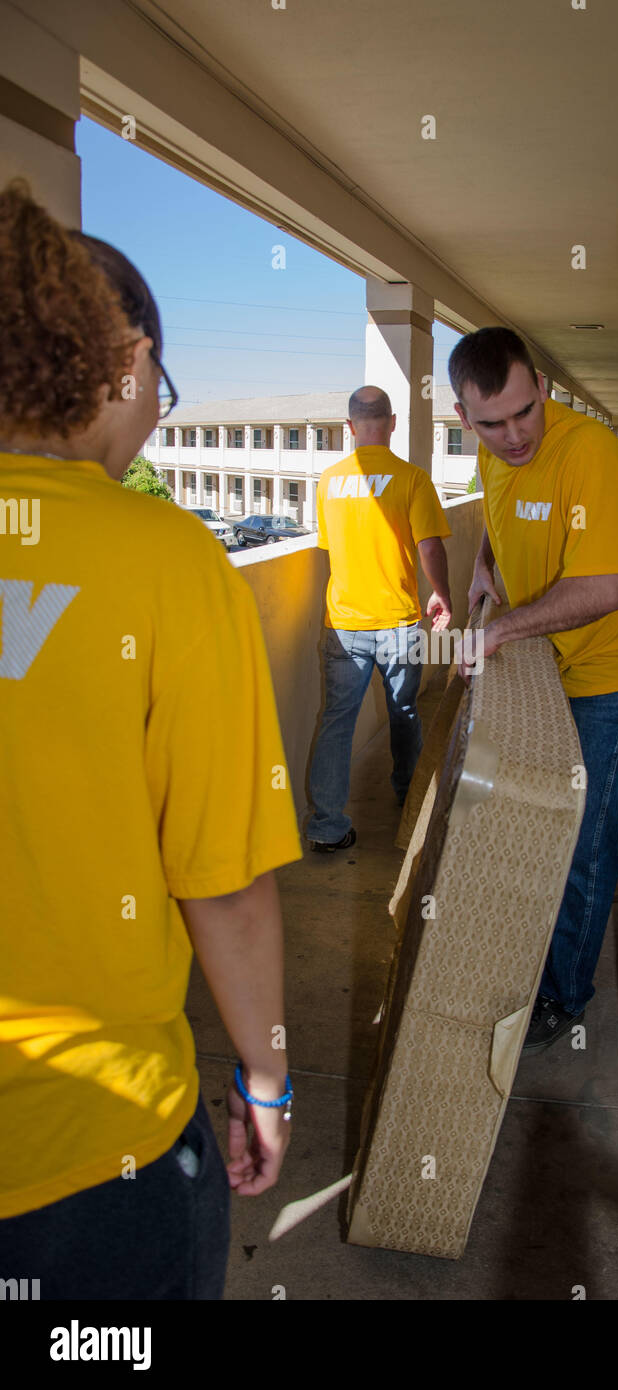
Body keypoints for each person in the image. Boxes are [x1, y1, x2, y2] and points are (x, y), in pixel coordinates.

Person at [0, 180, 301, 1299]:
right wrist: (265, 1079)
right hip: (92, 1151)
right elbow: (221, 885)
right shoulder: (168, 562)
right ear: (119, 361)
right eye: (160, 389)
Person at [449, 327, 618, 1053]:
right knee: (530, 821)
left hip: (608, 678)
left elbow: (605, 588)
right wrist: (483, 565)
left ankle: (563, 996)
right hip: (547, 668)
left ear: (541, 388)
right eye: (491, 423)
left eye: (523, 412)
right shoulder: (492, 451)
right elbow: (499, 505)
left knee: (582, 842)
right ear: (464, 419)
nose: (513, 436)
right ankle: (534, 957)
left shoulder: (589, 451)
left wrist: (500, 631)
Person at [306, 386, 452, 851]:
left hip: (343, 624)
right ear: (392, 423)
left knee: (335, 723)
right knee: (404, 713)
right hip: (398, 622)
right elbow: (429, 545)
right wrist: (443, 598)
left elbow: (331, 548)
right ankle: (408, 796)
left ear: (350, 427)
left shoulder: (328, 481)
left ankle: (327, 827)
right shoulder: (413, 479)